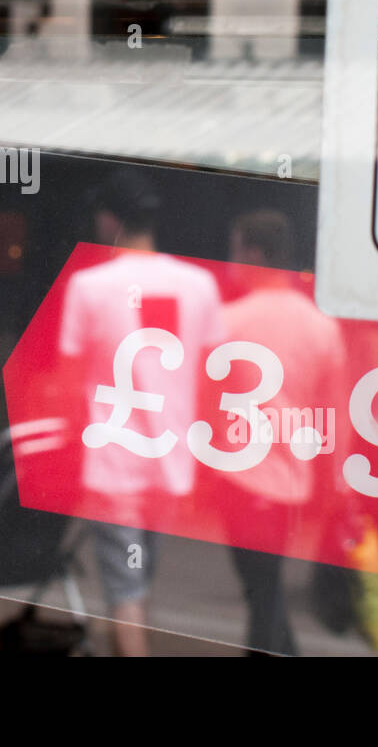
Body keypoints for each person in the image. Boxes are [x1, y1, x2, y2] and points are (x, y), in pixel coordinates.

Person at [58, 168, 224, 656]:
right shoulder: (199, 284)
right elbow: (213, 378)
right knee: (140, 581)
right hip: (171, 465)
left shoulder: (89, 286)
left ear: (109, 220)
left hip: (113, 464)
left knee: (125, 591)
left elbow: (70, 384)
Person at [220, 209, 348, 655]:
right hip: (294, 485)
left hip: (239, 478)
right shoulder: (321, 325)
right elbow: (335, 415)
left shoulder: (228, 321)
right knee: (265, 587)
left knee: (263, 592)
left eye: (235, 249)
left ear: (254, 253)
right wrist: (339, 489)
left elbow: (203, 407)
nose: (231, 260)